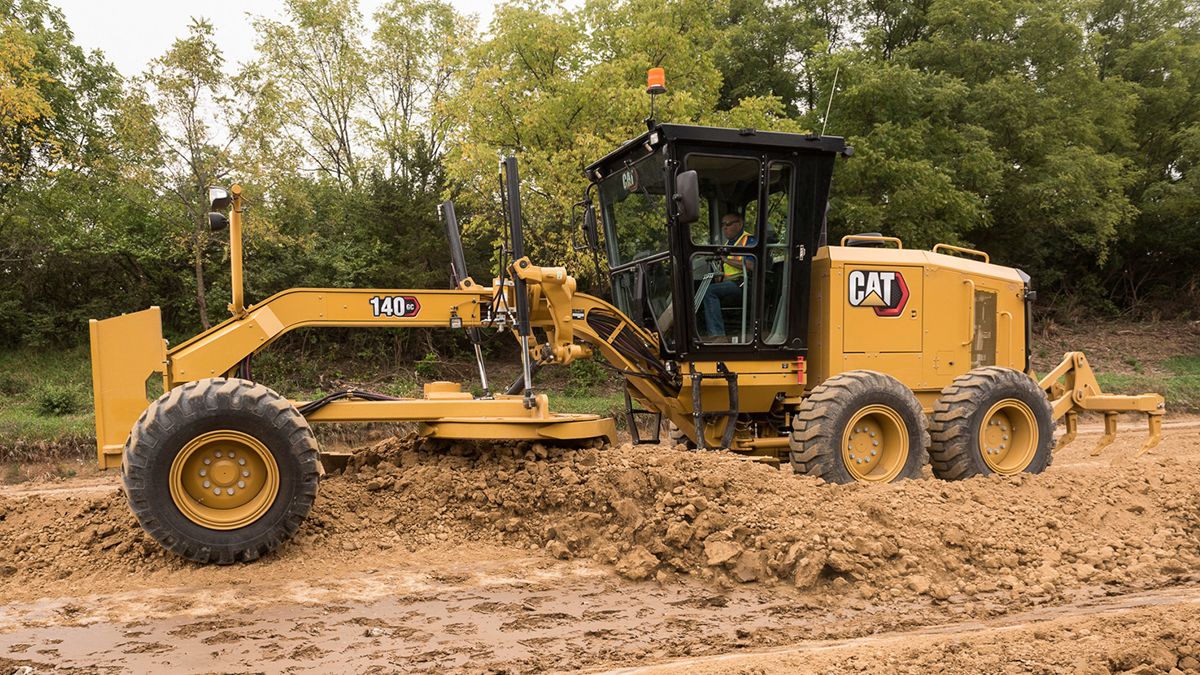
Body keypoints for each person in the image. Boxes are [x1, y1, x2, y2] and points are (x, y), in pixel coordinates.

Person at [701, 213, 755, 339]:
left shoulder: (749, 240)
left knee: (709, 292)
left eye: (728, 224)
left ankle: (717, 335)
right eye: (723, 225)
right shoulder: (728, 243)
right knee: (701, 287)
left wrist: (726, 260)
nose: (725, 228)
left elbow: (752, 265)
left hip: (743, 284)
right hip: (730, 283)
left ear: (740, 224)